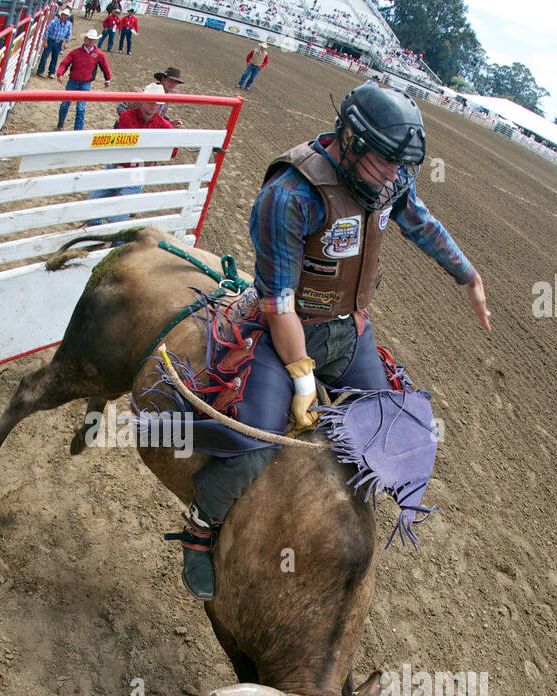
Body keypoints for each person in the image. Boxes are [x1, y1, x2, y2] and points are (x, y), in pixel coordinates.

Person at [170, 82, 491, 600]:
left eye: (401, 166)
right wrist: (301, 374)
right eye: (386, 162)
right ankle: (200, 531)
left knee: (393, 427)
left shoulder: (385, 182)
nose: (394, 176)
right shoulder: (290, 195)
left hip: (349, 328)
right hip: (283, 330)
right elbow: (278, 302)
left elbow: (422, 224)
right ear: (350, 137)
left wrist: (468, 277)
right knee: (253, 441)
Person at [85, 83, 175, 226]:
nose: (153, 105)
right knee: (92, 206)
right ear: (142, 101)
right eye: (150, 101)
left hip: (136, 173)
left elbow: (172, 151)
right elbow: (130, 144)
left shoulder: (164, 126)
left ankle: (117, 241)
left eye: (156, 103)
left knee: (117, 214)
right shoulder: (129, 117)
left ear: (160, 106)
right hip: (118, 167)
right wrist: (153, 148)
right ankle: (97, 235)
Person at [55, 29, 111, 132]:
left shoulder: (99, 54)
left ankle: (78, 130)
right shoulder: (75, 53)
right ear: (85, 39)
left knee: (81, 108)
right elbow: (64, 63)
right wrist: (60, 73)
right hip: (73, 81)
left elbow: (105, 67)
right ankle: (60, 123)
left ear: (95, 41)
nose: (91, 42)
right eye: (89, 39)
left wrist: (107, 79)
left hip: (85, 83)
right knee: (65, 104)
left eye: (93, 40)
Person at [117, 67, 184, 127]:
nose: (172, 84)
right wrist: (129, 120)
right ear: (163, 79)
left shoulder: (166, 98)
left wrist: (169, 121)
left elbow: (157, 116)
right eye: (170, 80)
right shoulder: (144, 92)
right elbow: (121, 107)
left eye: (175, 82)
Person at [37, 9, 72, 78]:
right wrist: (45, 41)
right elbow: (47, 31)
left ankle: (51, 72)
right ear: (61, 15)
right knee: (45, 56)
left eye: (66, 15)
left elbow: (68, 34)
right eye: (63, 15)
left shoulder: (68, 24)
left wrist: (66, 43)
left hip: (59, 42)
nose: (64, 16)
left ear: (67, 16)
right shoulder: (54, 22)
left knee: (55, 57)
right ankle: (40, 70)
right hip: (51, 40)